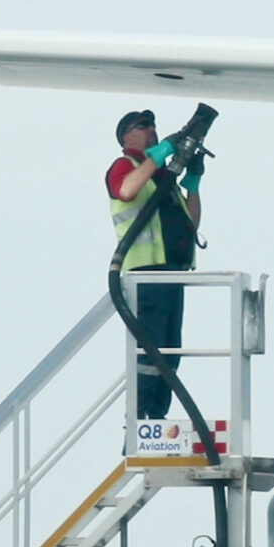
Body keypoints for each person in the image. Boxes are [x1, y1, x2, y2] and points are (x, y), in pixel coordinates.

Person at [105, 109, 205, 419]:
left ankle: (157, 415)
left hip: (171, 272)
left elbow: (190, 223)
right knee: (151, 349)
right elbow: (125, 190)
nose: (152, 130)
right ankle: (140, 416)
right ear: (126, 137)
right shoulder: (126, 166)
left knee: (170, 350)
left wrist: (193, 183)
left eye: (153, 126)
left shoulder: (162, 178)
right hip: (145, 273)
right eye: (143, 126)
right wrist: (158, 156)